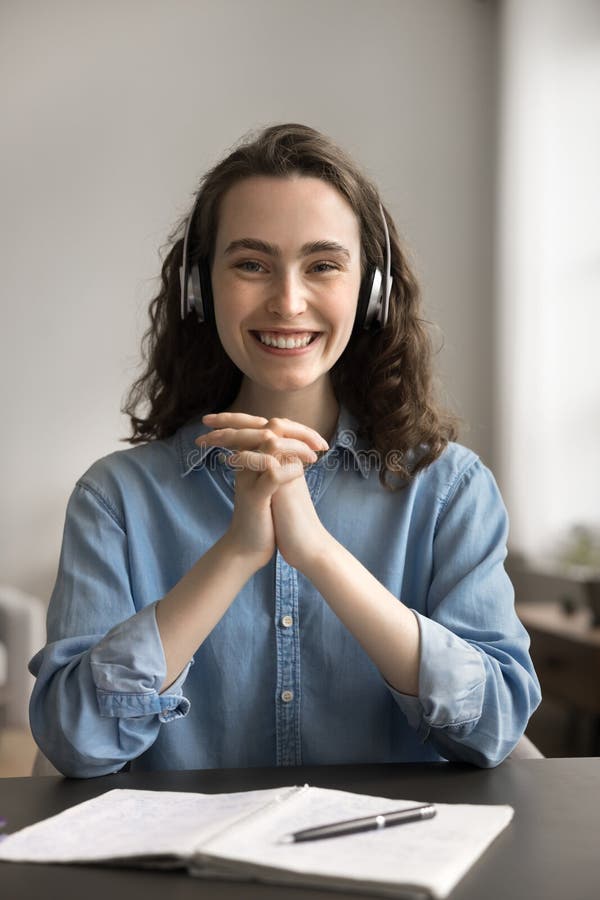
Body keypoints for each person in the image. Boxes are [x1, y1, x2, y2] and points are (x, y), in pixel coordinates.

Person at [29, 123, 541, 777]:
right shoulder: (116, 498)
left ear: (372, 290)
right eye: (251, 264)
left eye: (323, 265)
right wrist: (238, 551)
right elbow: (75, 743)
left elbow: (493, 729)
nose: (288, 301)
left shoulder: (450, 489)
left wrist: (318, 552)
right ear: (199, 287)